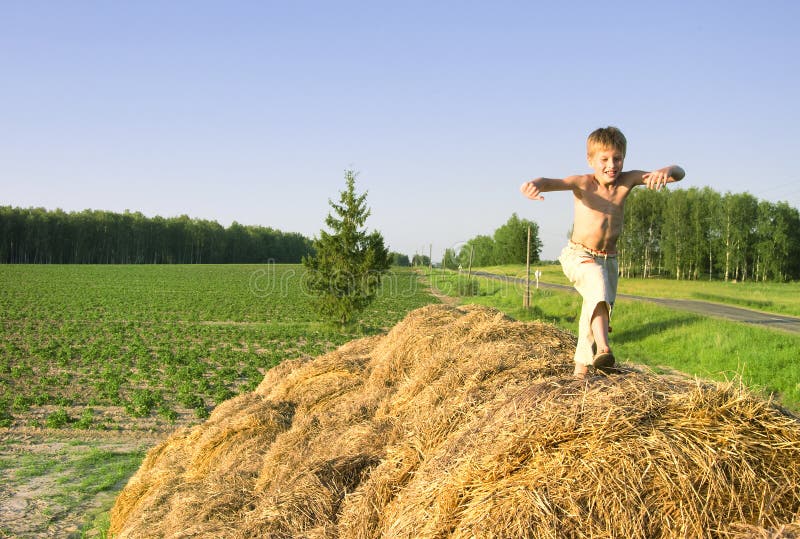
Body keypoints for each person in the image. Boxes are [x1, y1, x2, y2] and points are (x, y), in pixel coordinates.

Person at [520, 126, 685, 377]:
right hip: (579, 254)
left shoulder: (627, 181)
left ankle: (580, 374)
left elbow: (678, 174)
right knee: (596, 283)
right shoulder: (583, 183)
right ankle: (605, 347)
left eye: (617, 158)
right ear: (590, 160)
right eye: (604, 159)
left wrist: (665, 170)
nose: (611, 165)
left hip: (610, 260)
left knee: (593, 310)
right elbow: (551, 182)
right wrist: (533, 185)